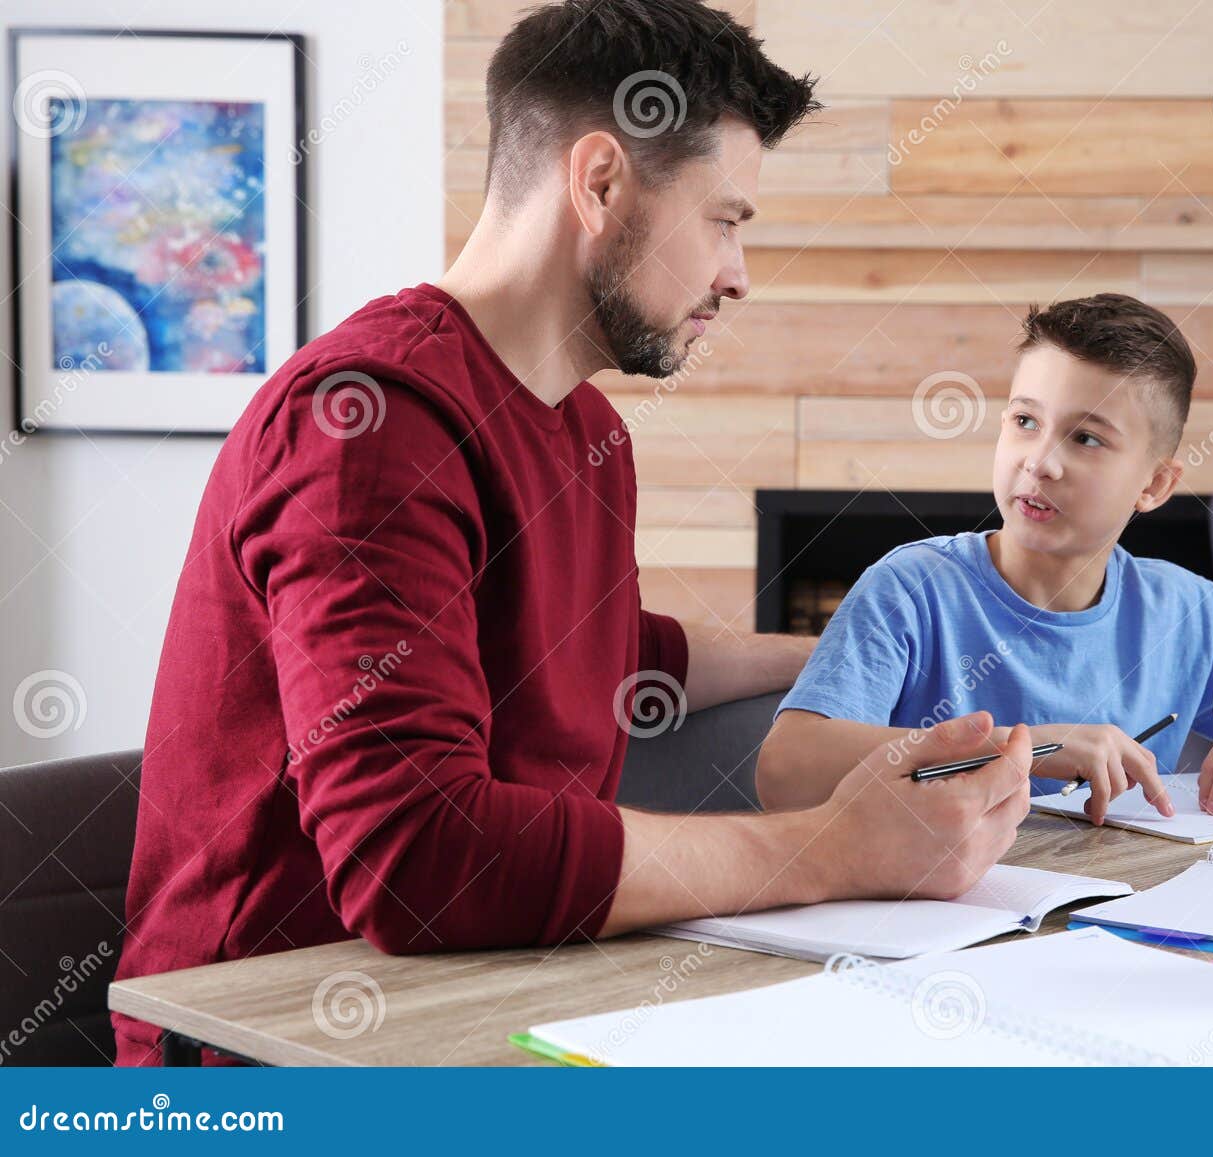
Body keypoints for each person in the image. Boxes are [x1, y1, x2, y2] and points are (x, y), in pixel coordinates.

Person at [113, 0, 1034, 1065]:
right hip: (280, 1054)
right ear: (599, 181)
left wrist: (852, 658)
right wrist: (830, 848)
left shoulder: (583, 427)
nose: (737, 273)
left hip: (496, 1005)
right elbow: (417, 856)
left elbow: (576, 646)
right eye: (726, 219)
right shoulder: (364, 425)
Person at [757, 293, 1213, 822]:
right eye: (1025, 420)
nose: (1039, 461)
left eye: (1085, 438)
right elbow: (787, 770)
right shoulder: (912, 589)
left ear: (1154, 486)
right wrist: (1023, 749)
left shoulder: (1179, 612)